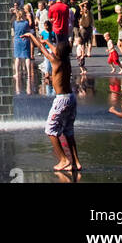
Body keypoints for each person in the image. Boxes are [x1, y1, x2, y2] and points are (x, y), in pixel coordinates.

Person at [26, 30, 81, 173]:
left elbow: (42, 49)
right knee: (68, 131)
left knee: (50, 130)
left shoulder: (55, 61)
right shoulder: (66, 60)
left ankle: (63, 159)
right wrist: (49, 42)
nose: (54, 49)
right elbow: (56, 49)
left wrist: (31, 36)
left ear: (57, 53)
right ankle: (76, 162)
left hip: (61, 99)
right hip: (71, 98)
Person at [12, 7, 31, 91]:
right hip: (25, 40)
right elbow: (28, 29)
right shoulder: (26, 23)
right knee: (27, 57)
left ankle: (17, 73)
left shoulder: (15, 23)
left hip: (17, 40)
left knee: (17, 57)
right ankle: (29, 73)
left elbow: (14, 30)